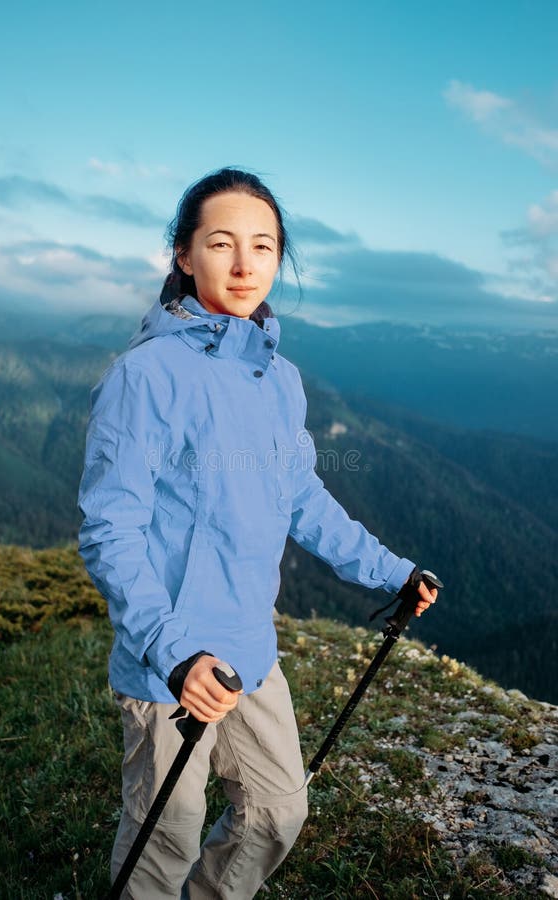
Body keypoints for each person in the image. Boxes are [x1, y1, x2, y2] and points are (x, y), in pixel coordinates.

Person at [77, 167, 438, 899]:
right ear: (184, 255)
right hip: (168, 667)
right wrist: (175, 655)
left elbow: (301, 496)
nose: (244, 265)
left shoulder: (279, 378)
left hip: (250, 651)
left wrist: (391, 572)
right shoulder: (145, 376)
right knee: (164, 838)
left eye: (263, 246)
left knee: (278, 811)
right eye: (221, 243)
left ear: (279, 259)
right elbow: (110, 530)